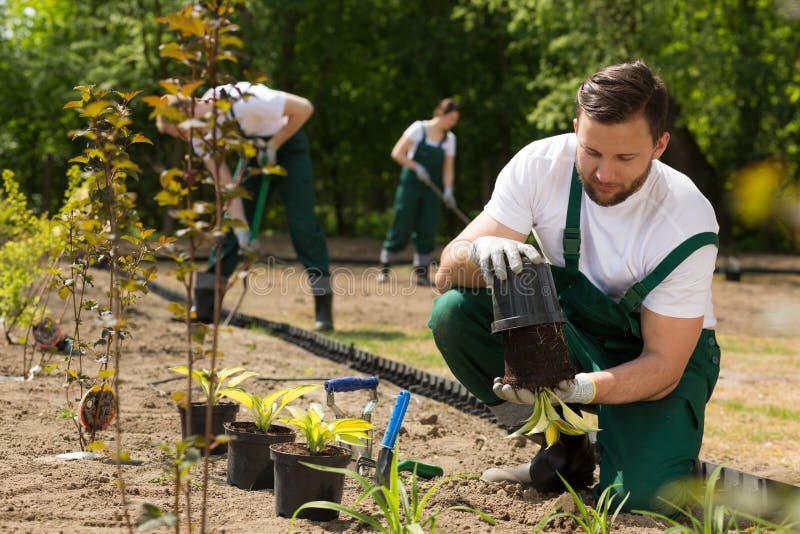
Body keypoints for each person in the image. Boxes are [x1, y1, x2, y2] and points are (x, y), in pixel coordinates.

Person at [428, 61, 721, 512]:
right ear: (575, 129)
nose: (604, 173)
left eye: (625, 158)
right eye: (591, 152)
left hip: (659, 355)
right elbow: (444, 273)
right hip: (575, 330)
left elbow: (663, 366)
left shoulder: (685, 219)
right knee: (454, 312)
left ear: (659, 145)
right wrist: (478, 252)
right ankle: (563, 447)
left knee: (641, 501)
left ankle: (662, 456)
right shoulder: (540, 165)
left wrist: (582, 389)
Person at [157, 82, 334, 331]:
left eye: (181, 132)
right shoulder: (200, 135)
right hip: (253, 154)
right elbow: (227, 186)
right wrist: (242, 234)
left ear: (188, 113)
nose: (186, 139)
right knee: (231, 228)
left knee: (302, 224)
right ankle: (205, 308)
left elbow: (304, 108)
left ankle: (323, 310)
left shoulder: (245, 100)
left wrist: (274, 145)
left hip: (288, 144)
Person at [377, 98, 461, 286]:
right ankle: (384, 267)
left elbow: (448, 169)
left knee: (427, 226)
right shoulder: (418, 129)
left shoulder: (450, 139)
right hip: (410, 185)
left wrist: (448, 190)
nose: (452, 123)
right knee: (402, 222)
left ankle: (422, 274)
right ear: (440, 113)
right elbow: (397, 153)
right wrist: (416, 167)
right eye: (451, 118)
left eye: (455, 120)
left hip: (432, 189)